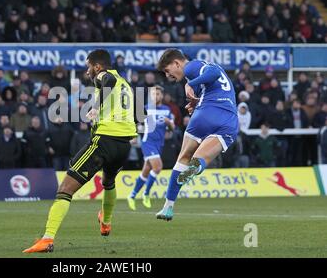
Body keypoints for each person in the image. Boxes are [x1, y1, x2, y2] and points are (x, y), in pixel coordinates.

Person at [24, 49, 137, 253]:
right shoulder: (126, 84)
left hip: (104, 141)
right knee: (108, 182)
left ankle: (47, 238)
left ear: (97, 66)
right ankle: (106, 221)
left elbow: (107, 82)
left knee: (65, 188)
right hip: (123, 144)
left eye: (88, 66)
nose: (87, 71)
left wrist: (95, 105)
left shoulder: (105, 76)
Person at [154, 49, 238, 221]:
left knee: (183, 157)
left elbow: (212, 73)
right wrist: (195, 100)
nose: (168, 76)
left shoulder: (191, 66)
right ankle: (196, 167)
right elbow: (214, 84)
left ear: (177, 63)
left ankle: (168, 207)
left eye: (168, 70)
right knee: (201, 159)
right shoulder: (200, 70)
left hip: (206, 114)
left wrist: (190, 84)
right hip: (229, 120)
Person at [128, 85, 174, 210]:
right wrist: (133, 136)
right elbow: (135, 123)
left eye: (158, 94)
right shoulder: (145, 109)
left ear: (162, 96)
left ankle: (132, 195)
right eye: (153, 94)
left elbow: (172, 128)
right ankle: (146, 194)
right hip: (148, 142)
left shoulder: (167, 110)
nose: (156, 96)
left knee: (146, 171)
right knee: (158, 167)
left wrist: (168, 122)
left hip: (160, 144)